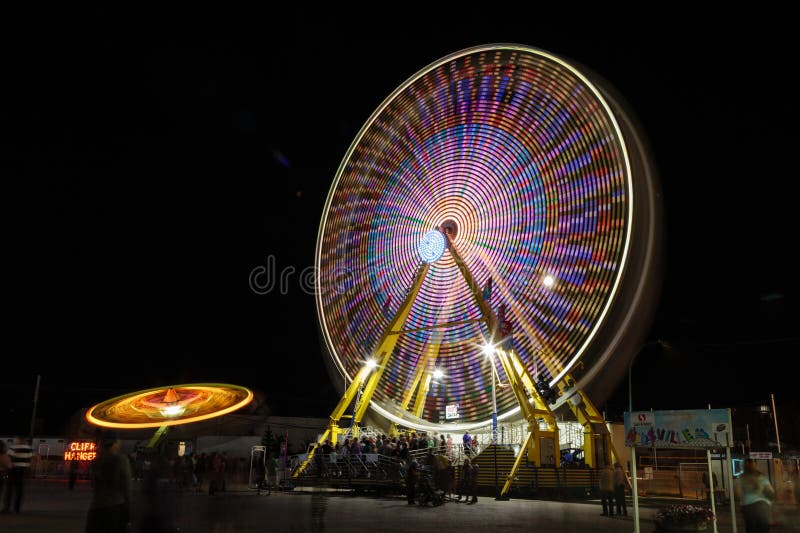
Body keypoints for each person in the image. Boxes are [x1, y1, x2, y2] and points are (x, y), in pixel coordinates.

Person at [85, 433, 132, 533]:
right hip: (115, 506)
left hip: (96, 506)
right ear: (114, 443)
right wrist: (129, 508)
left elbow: (93, 484)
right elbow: (126, 486)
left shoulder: (96, 461)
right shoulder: (121, 460)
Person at [735, 459, 775, 533]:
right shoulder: (762, 476)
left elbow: (738, 493)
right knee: (764, 529)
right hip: (763, 505)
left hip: (748, 507)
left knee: (750, 529)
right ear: (755, 465)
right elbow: (771, 493)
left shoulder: (741, 478)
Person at [2, 436, 32, 514]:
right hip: (22, 471)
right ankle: (17, 509)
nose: (14, 440)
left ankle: (7, 508)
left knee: (9, 490)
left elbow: (8, 459)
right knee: (19, 490)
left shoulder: (13, 448)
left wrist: (7, 468)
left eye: (15, 439)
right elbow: (30, 459)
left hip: (13, 470)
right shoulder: (29, 448)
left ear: (19, 439)